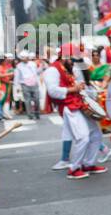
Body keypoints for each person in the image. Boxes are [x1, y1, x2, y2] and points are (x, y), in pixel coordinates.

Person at [45, 47, 105, 180]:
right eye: (72, 59)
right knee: (83, 137)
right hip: (69, 107)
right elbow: (52, 91)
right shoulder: (52, 70)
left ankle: (88, 164)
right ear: (64, 57)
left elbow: (78, 85)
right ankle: (74, 168)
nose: (74, 62)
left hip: (79, 104)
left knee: (96, 135)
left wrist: (85, 89)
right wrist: (75, 88)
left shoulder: (71, 68)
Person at [15, 52, 42, 120]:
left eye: (26, 57)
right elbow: (17, 77)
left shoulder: (32, 64)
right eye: (24, 58)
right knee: (27, 100)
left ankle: (37, 113)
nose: (25, 59)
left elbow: (37, 72)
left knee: (37, 99)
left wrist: (41, 67)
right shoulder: (19, 66)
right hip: (24, 84)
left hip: (34, 84)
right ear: (21, 59)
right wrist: (17, 86)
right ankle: (30, 115)